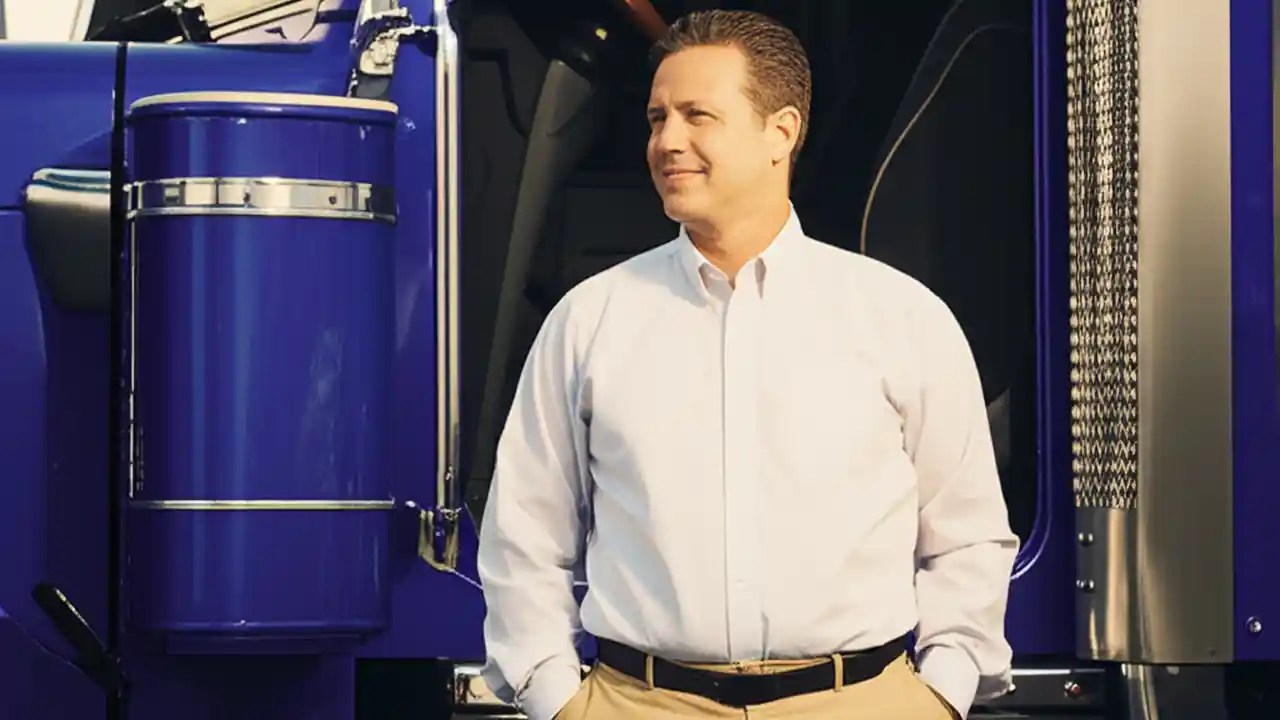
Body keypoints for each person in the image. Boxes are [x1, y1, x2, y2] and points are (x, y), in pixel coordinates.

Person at [476, 9, 1018, 720]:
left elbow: (968, 535)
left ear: (781, 132)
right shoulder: (589, 320)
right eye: (656, 118)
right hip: (638, 705)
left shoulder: (901, 318)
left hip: (861, 704)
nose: (667, 141)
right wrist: (560, 701)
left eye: (698, 115)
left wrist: (939, 697)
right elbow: (523, 539)